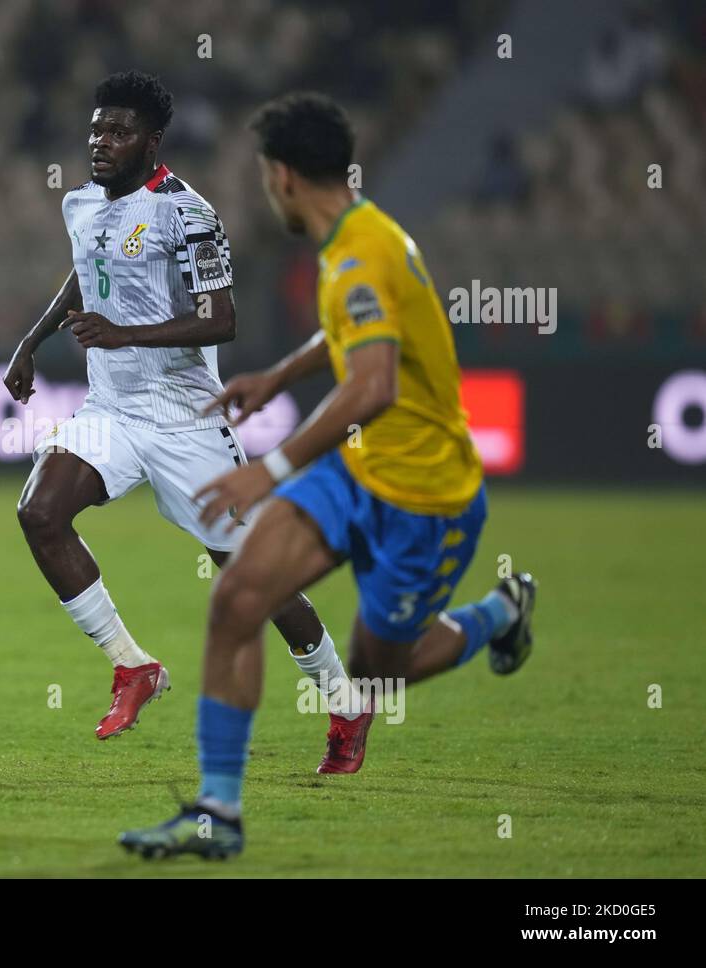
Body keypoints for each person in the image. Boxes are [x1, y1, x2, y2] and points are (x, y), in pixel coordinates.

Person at [119, 92, 537, 860]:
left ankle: (498, 616)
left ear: (280, 176)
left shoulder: (358, 253)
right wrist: (280, 375)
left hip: (427, 498)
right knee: (239, 597)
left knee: (383, 672)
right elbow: (357, 331)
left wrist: (269, 469)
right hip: (358, 474)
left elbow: (373, 384)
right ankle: (218, 813)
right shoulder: (356, 231)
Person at [3, 72, 337, 742]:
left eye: (119, 131)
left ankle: (343, 697)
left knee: (253, 579)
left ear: (151, 141)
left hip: (186, 420)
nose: (102, 142)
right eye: (97, 128)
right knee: (40, 512)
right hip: (113, 410)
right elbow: (85, 269)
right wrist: (31, 341)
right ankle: (134, 667)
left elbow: (222, 319)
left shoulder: (189, 214)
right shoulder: (80, 205)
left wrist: (123, 333)